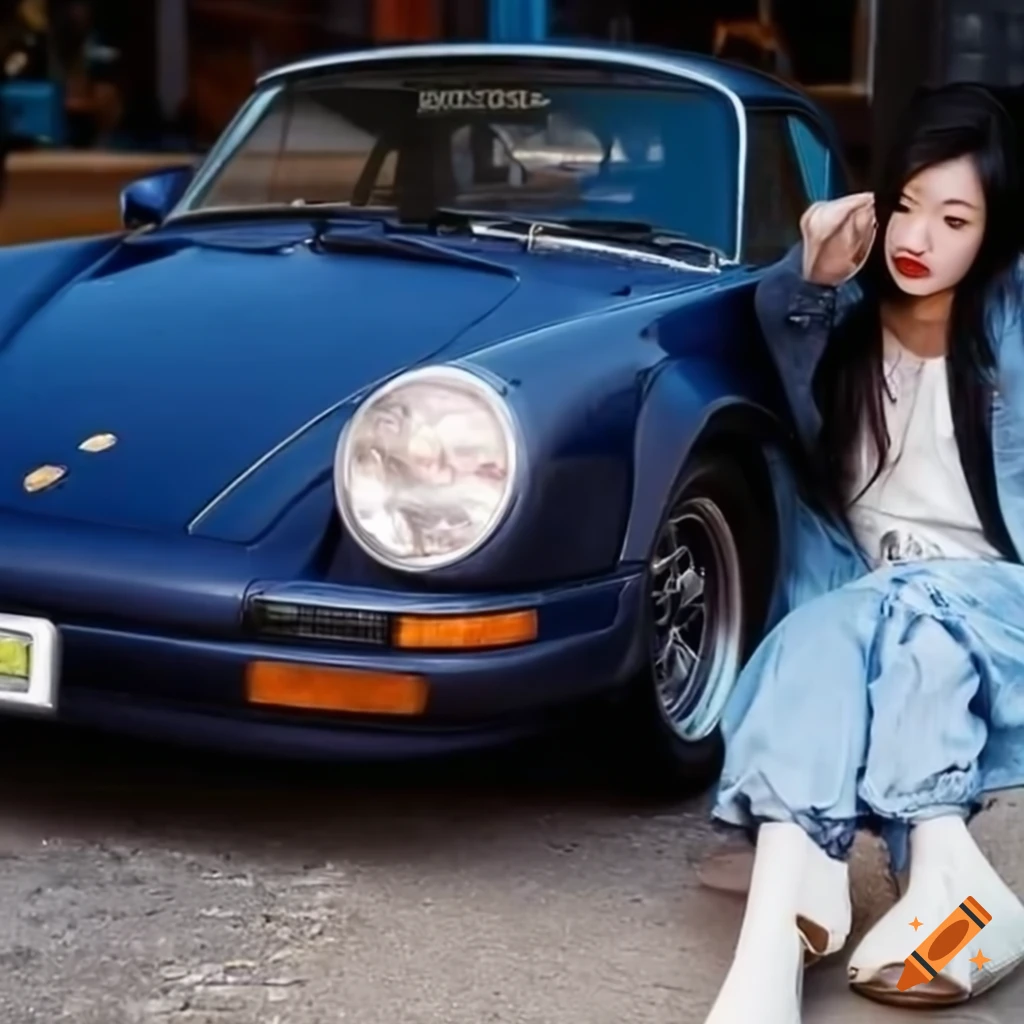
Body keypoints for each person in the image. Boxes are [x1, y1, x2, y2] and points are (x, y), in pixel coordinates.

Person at [701, 82, 1024, 1023]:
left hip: (997, 605)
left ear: (995, 234)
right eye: (907, 205)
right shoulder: (836, 322)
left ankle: (779, 930)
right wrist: (814, 275)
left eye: (955, 219)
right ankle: (943, 874)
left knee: (851, 628)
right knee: (888, 639)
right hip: (878, 611)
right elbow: (782, 312)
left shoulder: (1011, 326)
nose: (918, 237)